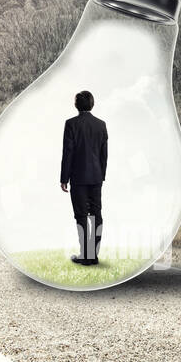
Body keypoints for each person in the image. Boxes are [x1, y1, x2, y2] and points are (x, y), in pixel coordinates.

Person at [59, 90, 108, 266]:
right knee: (96, 214)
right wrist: (101, 175)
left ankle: (84, 254)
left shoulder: (71, 124)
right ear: (92, 104)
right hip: (96, 177)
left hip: (78, 178)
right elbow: (104, 155)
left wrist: (64, 177)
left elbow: (68, 152)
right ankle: (93, 254)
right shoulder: (101, 125)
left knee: (81, 216)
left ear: (76, 105)